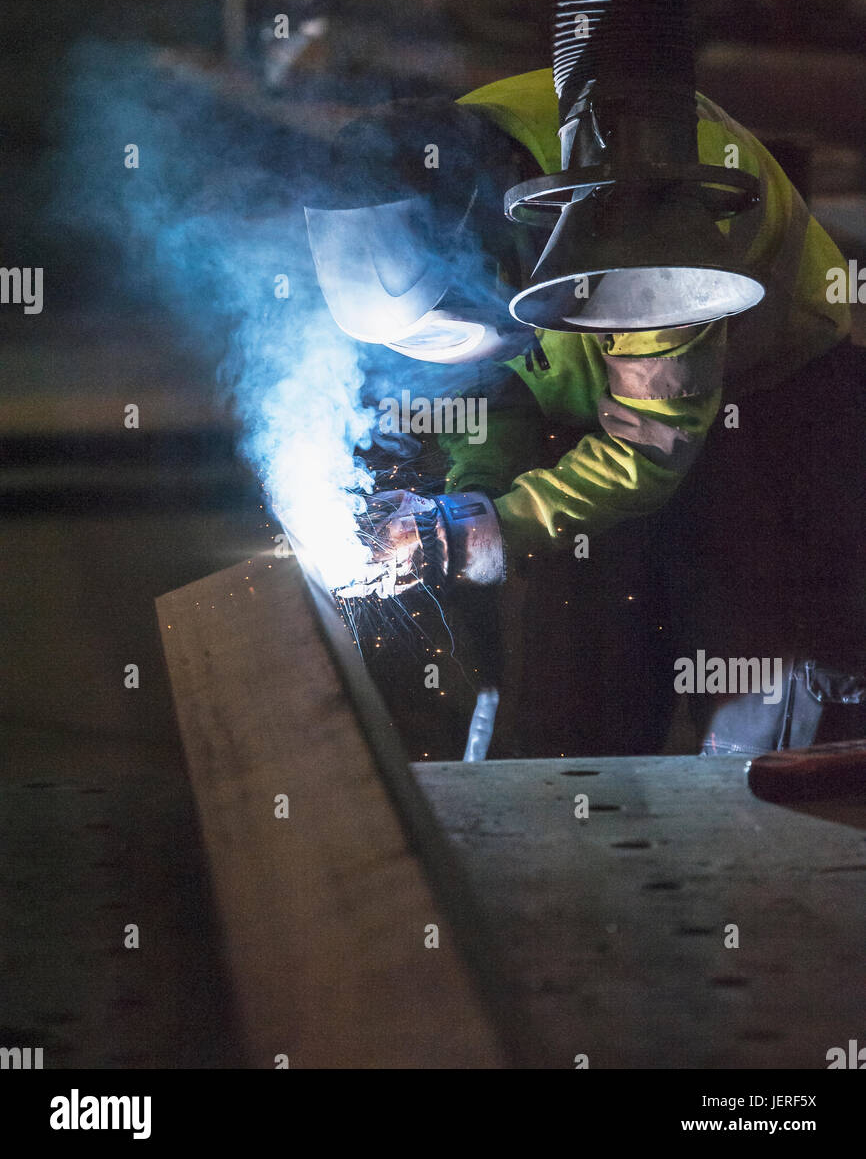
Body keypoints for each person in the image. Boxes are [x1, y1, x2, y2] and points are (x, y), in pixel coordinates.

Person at [306, 68, 866, 756]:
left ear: (505, 236)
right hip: (595, 398)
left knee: (760, 702)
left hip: (769, 399)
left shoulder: (640, 211)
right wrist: (467, 501)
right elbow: (494, 392)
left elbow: (649, 442)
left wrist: (473, 534)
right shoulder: (433, 169)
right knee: (569, 696)